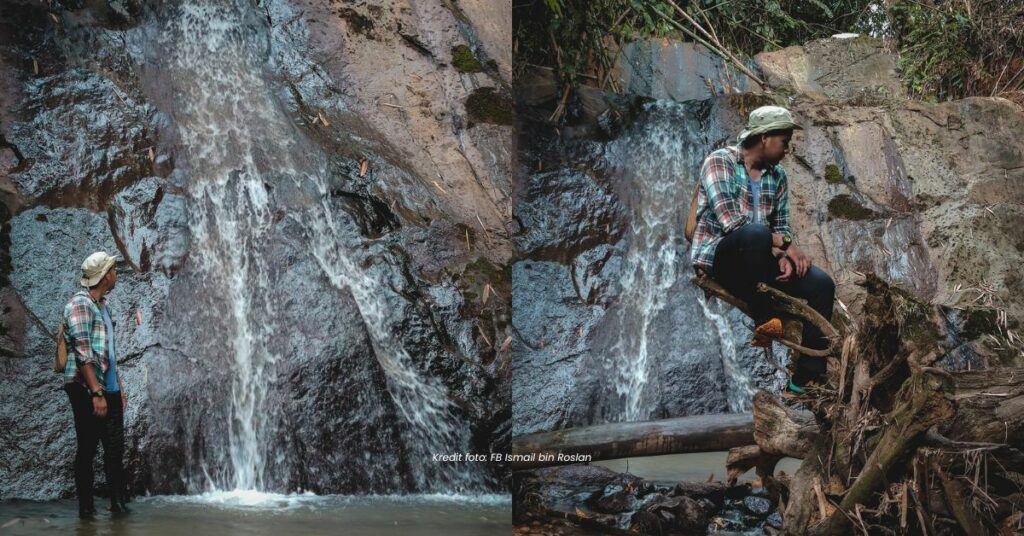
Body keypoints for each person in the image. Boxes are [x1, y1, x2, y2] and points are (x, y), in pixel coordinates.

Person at [690, 106, 836, 393]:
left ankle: (806, 378)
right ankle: (765, 317)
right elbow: (731, 221)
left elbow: (780, 226)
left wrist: (783, 255)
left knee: (822, 285)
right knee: (754, 233)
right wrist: (784, 245)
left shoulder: (778, 175)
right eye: (784, 141)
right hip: (722, 257)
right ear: (765, 138)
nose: (787, 149)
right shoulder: (720, 161)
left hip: (760, 259)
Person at [62, 251, 129, 518]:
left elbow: (109, 354)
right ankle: (86, 511)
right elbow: (83, 352)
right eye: (113, 268)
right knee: (88, 448)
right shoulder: (80, 305)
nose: (116, 273)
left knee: (115, 450)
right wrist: (97, 392)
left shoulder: (103, 306)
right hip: (87, 390)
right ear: (105, 276)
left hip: (109, 389)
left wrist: (118, 388)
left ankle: (117, 507)